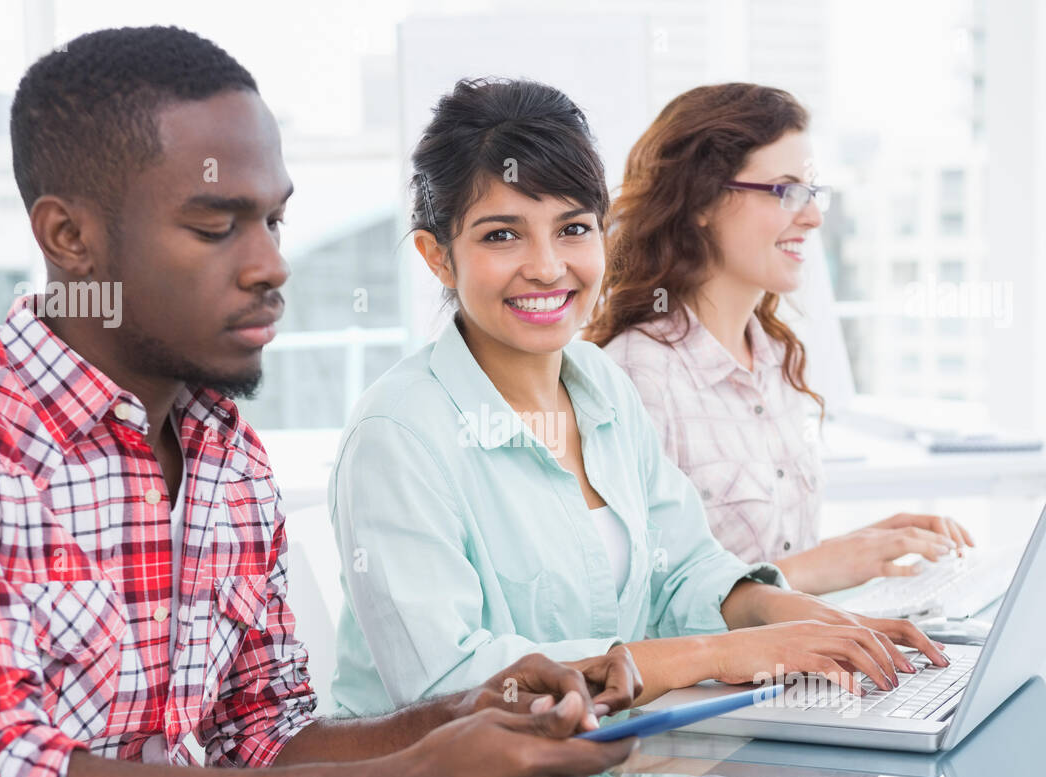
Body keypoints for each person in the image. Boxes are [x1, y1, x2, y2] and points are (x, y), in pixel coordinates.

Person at [0, 27, 640, 777]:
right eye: (215, 226)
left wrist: (450, 720)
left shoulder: (227, 452)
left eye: (273, 219)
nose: (271, 264)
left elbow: (260, 740)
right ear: (69, 238)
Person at [328, 77, 950, 721]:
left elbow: (683, 568)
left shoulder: (602, 385)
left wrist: (809, 622)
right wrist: (713, 655)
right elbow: (446, 683)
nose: (546, 267)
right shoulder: (397, 435)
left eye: (572, 228)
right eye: (502, 236)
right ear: (438, 256)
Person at [589, 83, 974, 596]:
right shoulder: (636, 377)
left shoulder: (775, 358)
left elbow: (773, 564)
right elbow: (639, 606)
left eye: (812, 193)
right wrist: (827, 564)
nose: (813, 217)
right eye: (786, 191)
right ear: (701, 200)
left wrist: (871, 545)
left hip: (797, 665)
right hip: (713, 679)